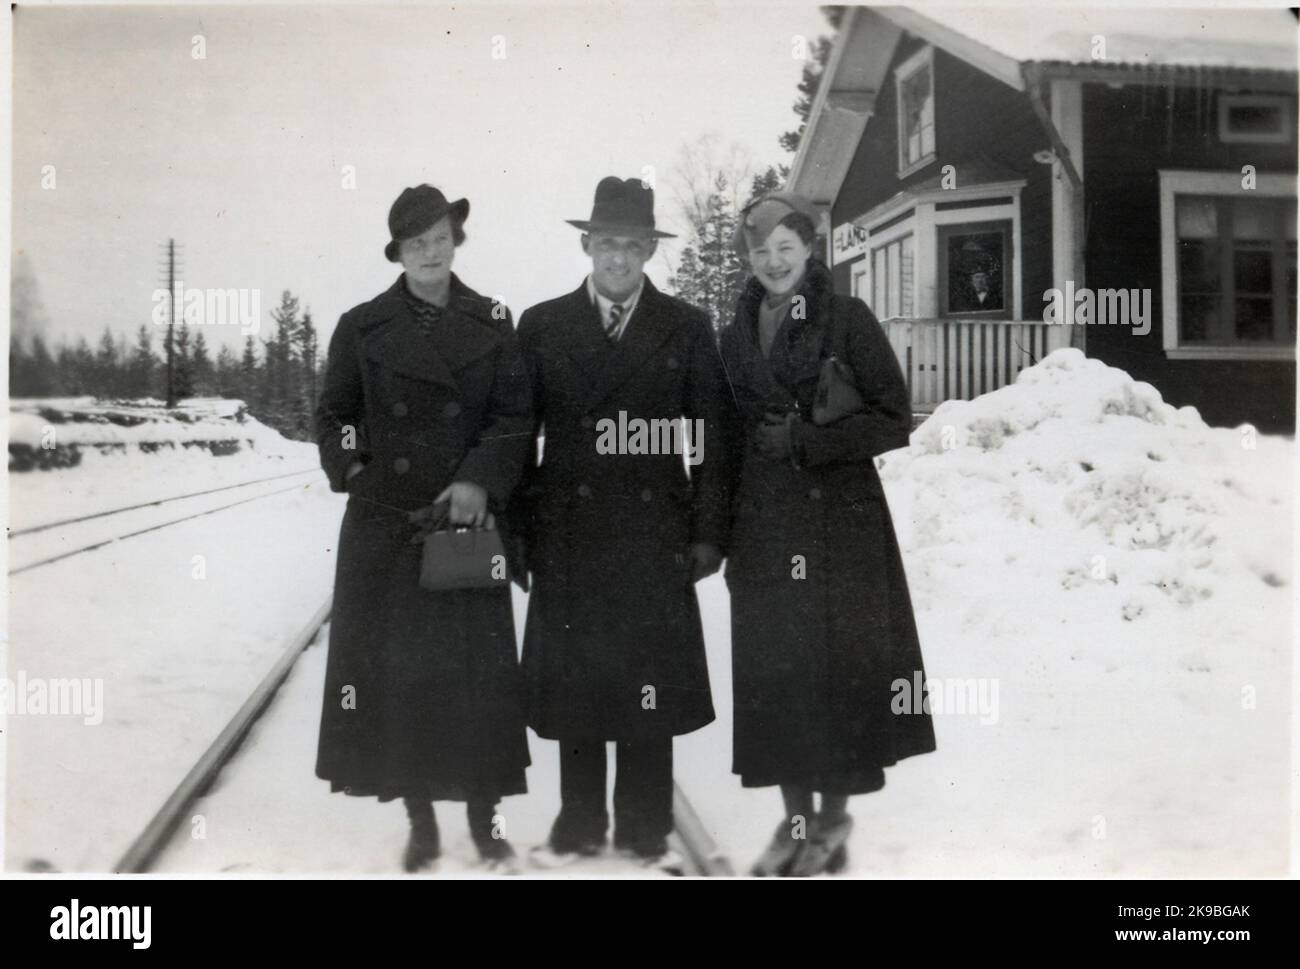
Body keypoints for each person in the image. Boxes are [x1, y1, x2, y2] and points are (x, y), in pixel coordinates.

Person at [512, 176, 735, 873]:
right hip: (568, 529)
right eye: (607, 243)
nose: (618, 258)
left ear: (649, 251)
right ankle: (578, 821)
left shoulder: (687, 326)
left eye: (632, 246)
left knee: (649, 680)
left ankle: (644, 824)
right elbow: (518, 436)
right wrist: (518, 531)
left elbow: (715, 438)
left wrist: (707, 530)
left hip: (654, 530)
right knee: (577, 679)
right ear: (587, 245)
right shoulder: (541, 325)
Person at [313, 184, 533, 874]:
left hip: (464, 526)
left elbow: (516, 417)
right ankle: (421, 822)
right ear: (399, 252)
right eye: (417, 244)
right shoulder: (360, 325)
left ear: (455, 240)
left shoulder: (495, 320)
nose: (431, 252)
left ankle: (486, 819)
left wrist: (477, 479)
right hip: (389, 528)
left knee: (479, 680)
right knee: (400, 680)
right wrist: (353, 470)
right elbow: (335, 413)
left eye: (440, 238)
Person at [718, 192, 937, 877]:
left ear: (810, 249)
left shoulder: (848, 318)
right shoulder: (734, 332)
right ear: (748, 259)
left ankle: (834, 815)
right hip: (763, 525)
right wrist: (718, 530)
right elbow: (724, 441)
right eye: (760, 251)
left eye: (786, 247)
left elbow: (894, 418)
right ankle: (796, 817)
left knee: (839, 669)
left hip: (840, 527)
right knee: (776, 672)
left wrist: (808, 440)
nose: (774, 261)